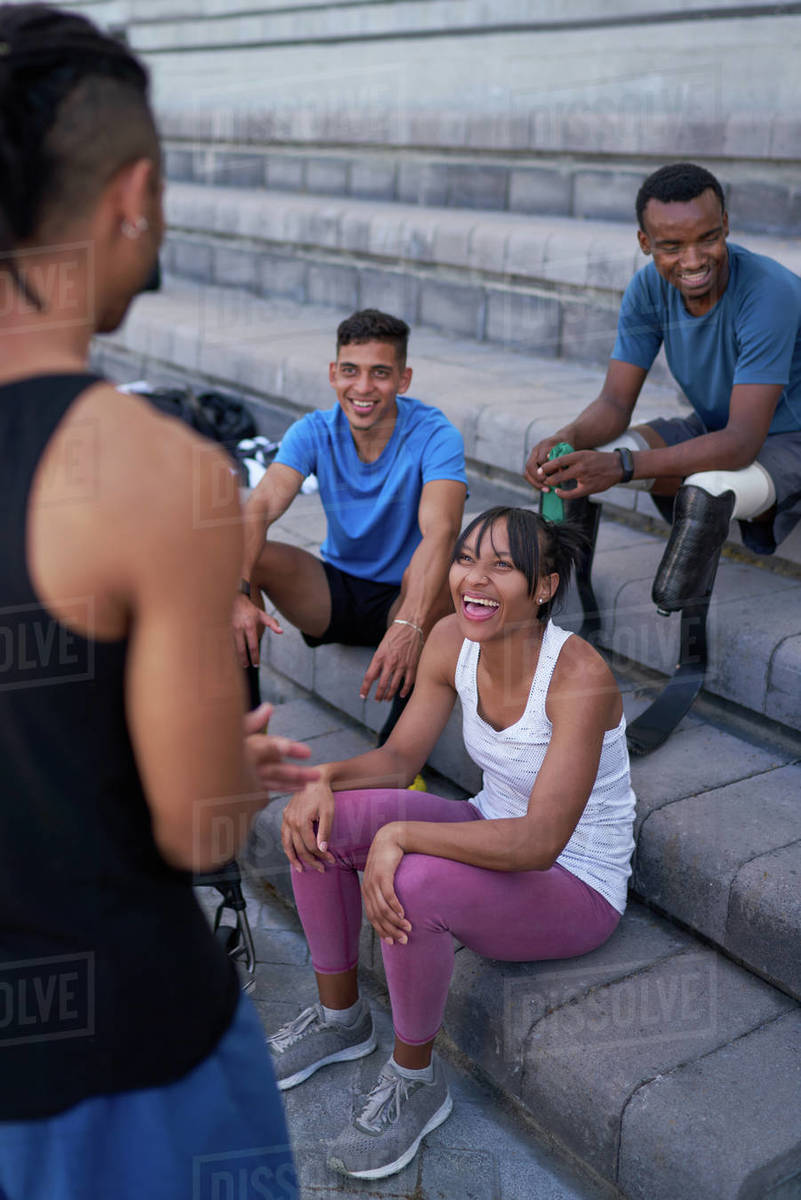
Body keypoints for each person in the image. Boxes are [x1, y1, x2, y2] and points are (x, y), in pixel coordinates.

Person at [0, 7, 317, 1198]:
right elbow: (197, 827)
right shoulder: (156, 471)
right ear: (132, 194)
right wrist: (217, 766)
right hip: (123, 1073)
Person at [266, 507, 636, 1181]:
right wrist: (319, 779)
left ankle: (415, 1079)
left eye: (502, 566)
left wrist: (401, 837)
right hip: (488, 820)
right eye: (467, 558)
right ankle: (339, 1018)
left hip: (574, 881)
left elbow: (537, 841)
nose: (475, 579)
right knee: (320, 819)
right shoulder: (447, 638)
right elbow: (399, 753)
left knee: (415, 879)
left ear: (545, 586)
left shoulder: (577, 676)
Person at [524, 161, 801, 744]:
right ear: (646, 243)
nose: (694, 260)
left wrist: (623, 466)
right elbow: (614, 404)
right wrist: (567, 439)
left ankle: (686, 648)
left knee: (705, 487)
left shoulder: (770, 290)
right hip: (713, 423)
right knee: (577, 464)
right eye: (672, 246)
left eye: (709, 238)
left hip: (788, 436)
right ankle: (572, 615)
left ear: (726, 224)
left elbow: (744, 441)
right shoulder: (649, 287)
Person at [232, 310, 468, 734]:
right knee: (241, 561)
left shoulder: (436, 434)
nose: (362, 387)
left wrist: (410, 622)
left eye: (380, 373)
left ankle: (395, 757)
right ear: (332, 374)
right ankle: (248, 737)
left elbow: (442, 529)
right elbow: (261, 505)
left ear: (403, 379)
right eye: (350, 371)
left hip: (408, 595)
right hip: (334, 592)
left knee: (443, 575)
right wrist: (238, 593)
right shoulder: (314, 430)